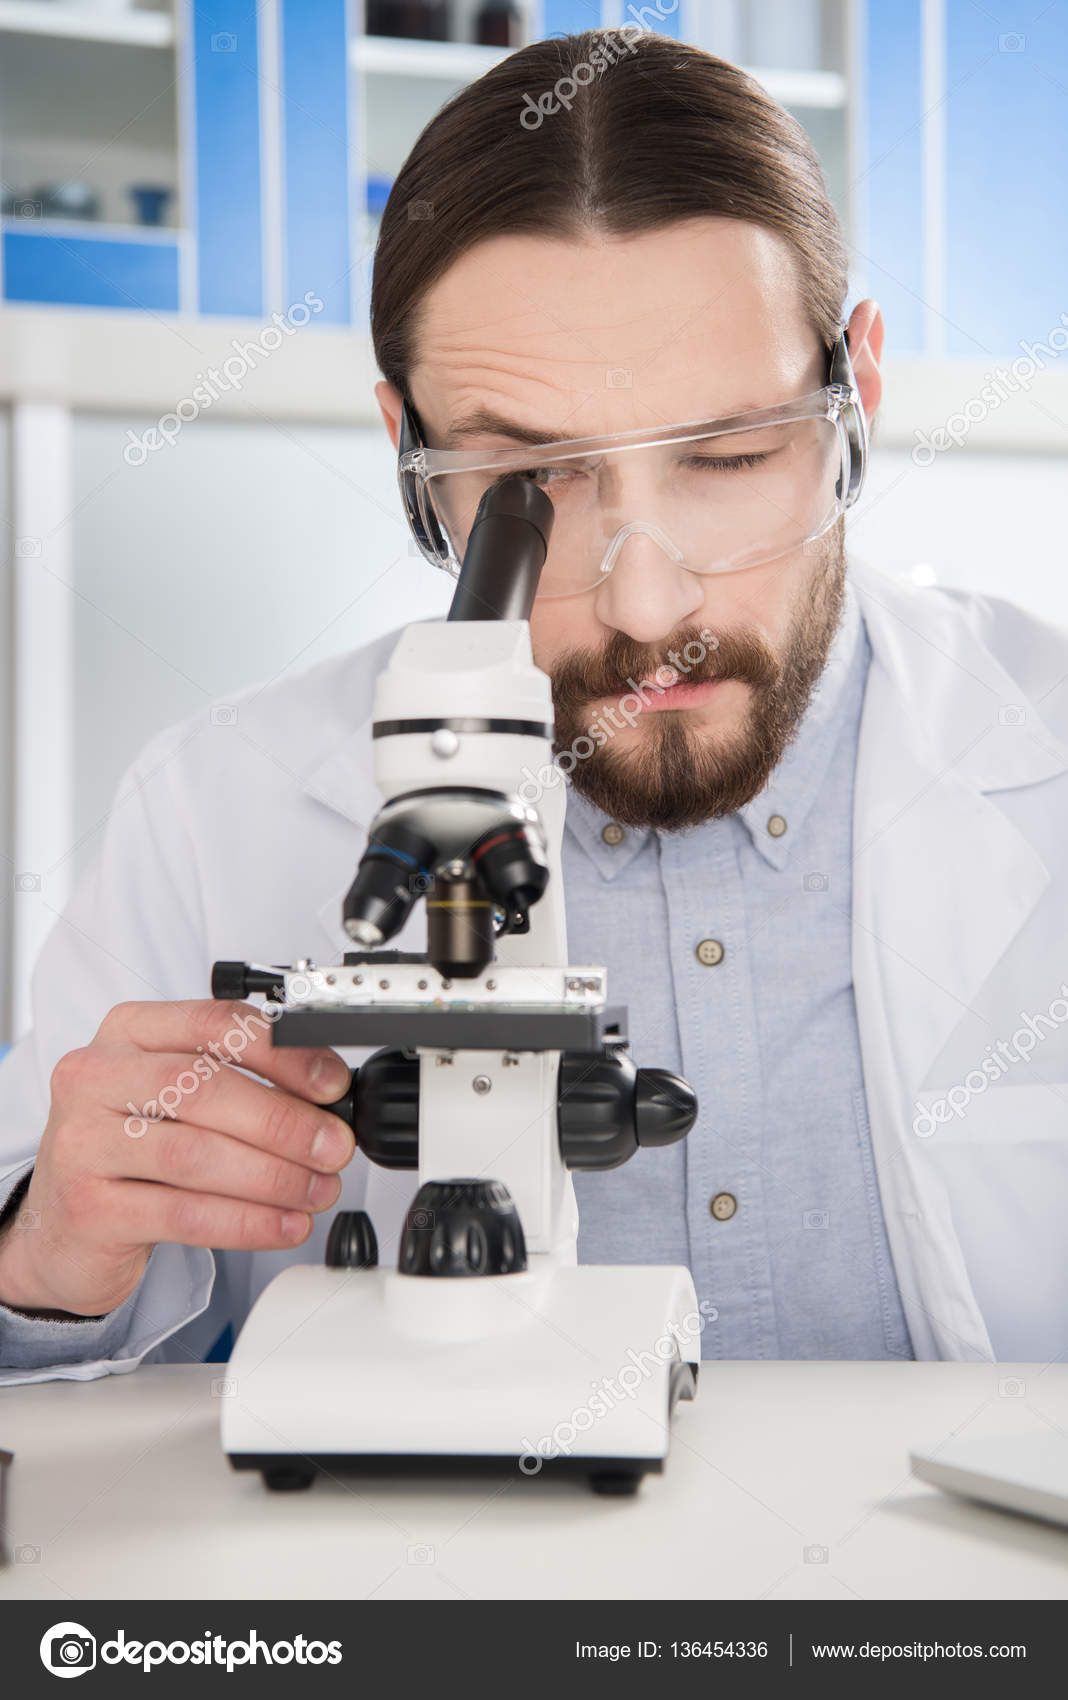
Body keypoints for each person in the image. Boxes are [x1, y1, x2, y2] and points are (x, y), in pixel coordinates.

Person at [3, 31, 1067, 1386]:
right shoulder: (217, 806)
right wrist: (40, 1262)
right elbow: (42, 1385)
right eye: (535, 483)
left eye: (729, 455)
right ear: (410, 455)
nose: (644, 603)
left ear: (854, 392)